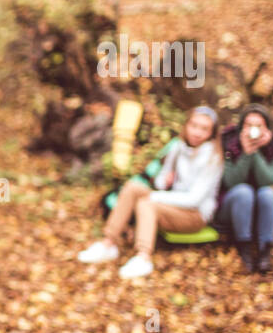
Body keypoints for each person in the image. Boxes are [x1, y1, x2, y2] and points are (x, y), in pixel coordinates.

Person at [78, 106, 223, 279]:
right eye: (194, 125)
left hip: (195, 215)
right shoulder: (177, 146)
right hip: (172, 204)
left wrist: (155, 196)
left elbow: (194, 199)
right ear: (187, 125)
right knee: (133, 187)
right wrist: (165, 180)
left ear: (212, 133)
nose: (197, 132)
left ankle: (143, 257)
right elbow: (160, 180)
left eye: (204, 128)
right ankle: (108, 243)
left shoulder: (213, 158)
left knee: (147, 204)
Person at [216, 103, 273, 273]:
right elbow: (231, 181)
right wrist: (246, 154)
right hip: (230, 206)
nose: (253, 130)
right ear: (241, 127)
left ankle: (264, 251)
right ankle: (244, 250)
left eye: (258, 126)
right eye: (249, 125)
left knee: (267, 193)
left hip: (258, 209)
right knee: (243, 191)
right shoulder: (228, 144)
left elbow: (268, 180)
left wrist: (256, 153)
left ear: (267, 129)